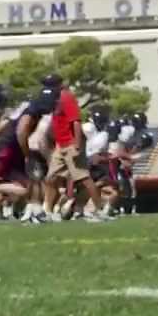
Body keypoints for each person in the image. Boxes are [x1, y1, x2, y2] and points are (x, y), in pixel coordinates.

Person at [0, 86, 53, 226]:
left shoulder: (31, 110)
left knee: (22, 184)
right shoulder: (30, 111)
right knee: (9, 186)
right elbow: (20, 132)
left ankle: (27, 213)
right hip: (7, 150)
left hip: (12, 150)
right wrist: (27, 155)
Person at [42, 74, 109, 222]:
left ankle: (99, 211)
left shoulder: (67, 97)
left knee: (84, 178)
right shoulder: (53, 99)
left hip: (71, 143)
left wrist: (77, 145)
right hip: (60, 145)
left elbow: (76, 122)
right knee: (50, 178)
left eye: (50, 84)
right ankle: (48, 211)